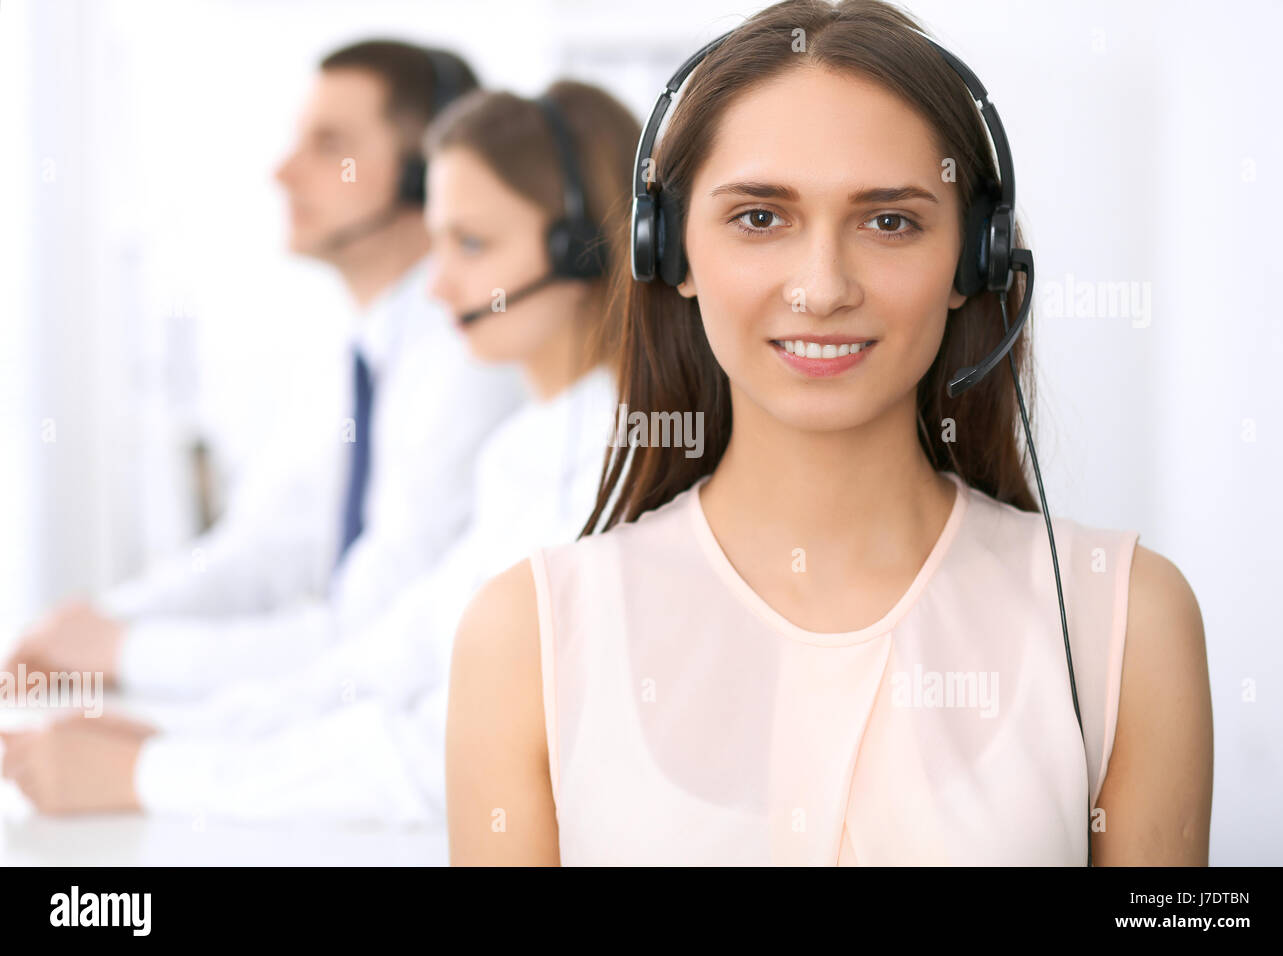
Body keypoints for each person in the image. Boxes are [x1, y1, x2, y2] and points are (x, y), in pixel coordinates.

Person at [445, 0, 1213, 866]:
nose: (821, 287)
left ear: (975, 262)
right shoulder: (526, 637)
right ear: (673, 253)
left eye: (890, 221)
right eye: (760, 218)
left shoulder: (1127, 620)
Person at [1, 82, 640, 852]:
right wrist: (172, 734)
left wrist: (157, 772)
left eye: (472, 246)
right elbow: (383, 660)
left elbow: (442, 752)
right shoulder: (526, 450)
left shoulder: (618, 463)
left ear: (584, 246)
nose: (437, 287)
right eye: (438, 244)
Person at [2, 41, 525, 698]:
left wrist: (125, 652)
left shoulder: (470, 363)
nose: (282, 172)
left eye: (328, 145)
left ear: (427, 173)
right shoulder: (360, 357)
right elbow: (266, 554)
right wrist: (97, 629)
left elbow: (367, 636)